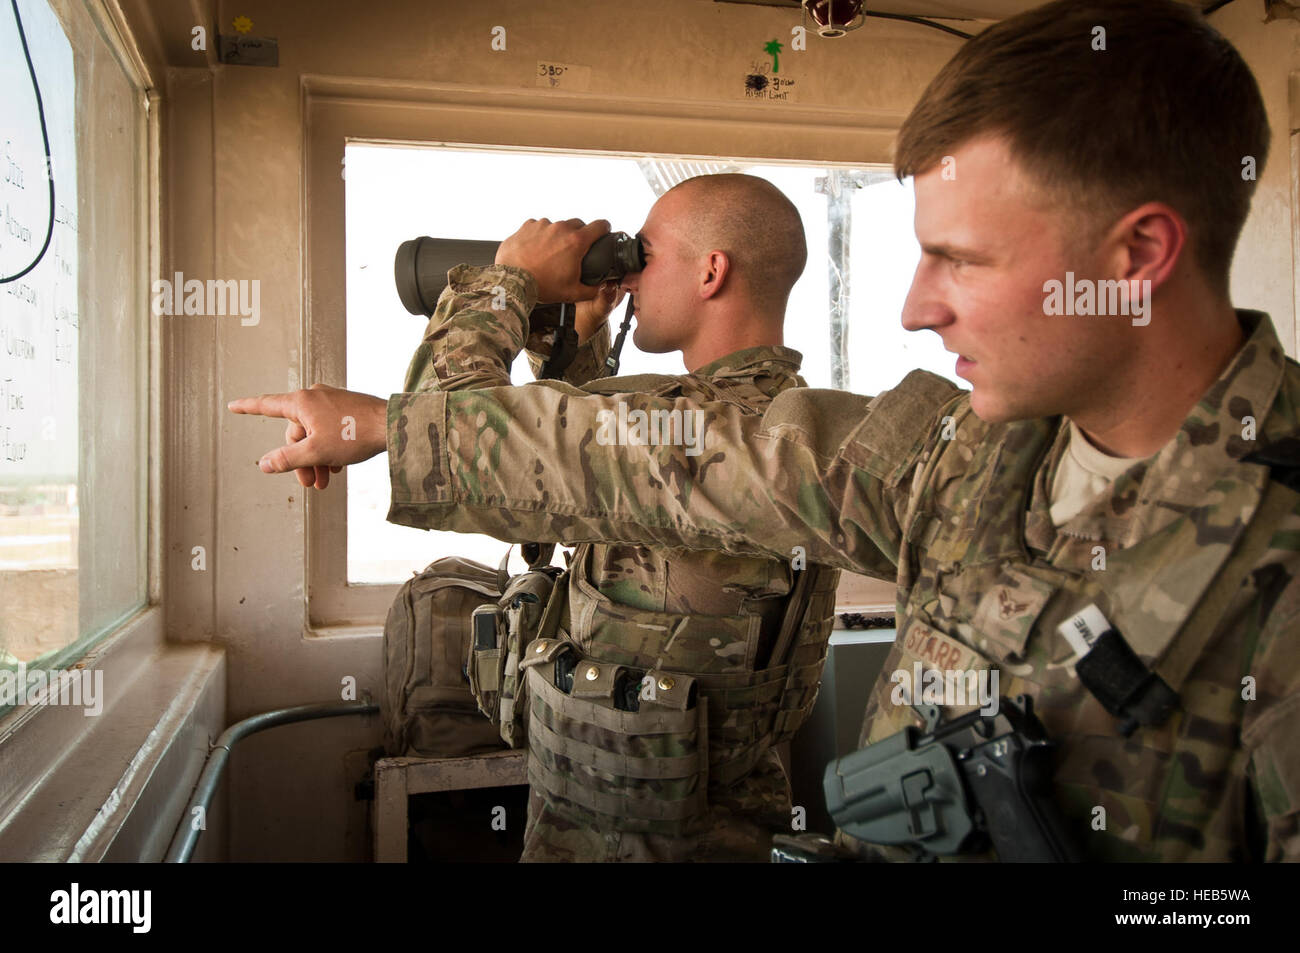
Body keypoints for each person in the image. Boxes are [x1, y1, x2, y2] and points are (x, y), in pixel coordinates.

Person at [231, 0, 1300, 861]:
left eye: (961, 259)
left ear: (1134, 255)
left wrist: (496, 299)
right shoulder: (969, 459)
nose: (914, 309)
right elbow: (643, 463)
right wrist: (388, 424)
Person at [235, 174, 843, 862]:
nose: (629, 275)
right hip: (673, 819)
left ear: (711, 271)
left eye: (642, 254)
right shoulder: (771, 414)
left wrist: (508, 279)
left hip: (640, 839)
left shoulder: (712, 429)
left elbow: (457, 444)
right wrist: (579, 339)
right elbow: (593, 492)